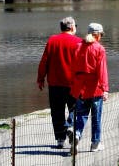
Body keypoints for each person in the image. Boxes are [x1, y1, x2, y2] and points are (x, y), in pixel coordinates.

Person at [37, 16, 82, 149]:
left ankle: (60, 139)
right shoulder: (79, 42)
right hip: (73, 84)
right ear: (72, 27)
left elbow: (44, 61)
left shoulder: (52, 41)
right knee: (75, 109)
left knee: (57, 112)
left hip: (55, 84)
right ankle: (71, 127)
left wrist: (40, 78)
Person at [70, 22, 109, 152]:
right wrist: (105, 89)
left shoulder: (78, 46)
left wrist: (74, 84)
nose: (101, 37)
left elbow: (72, 68)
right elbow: (102, 71)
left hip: (81, 88)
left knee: (81, 115)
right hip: (95, 88)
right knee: (96, 117)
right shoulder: (99, 49)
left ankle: (77, 134)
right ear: (97, 35)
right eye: (101, 35)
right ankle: (95, 144)